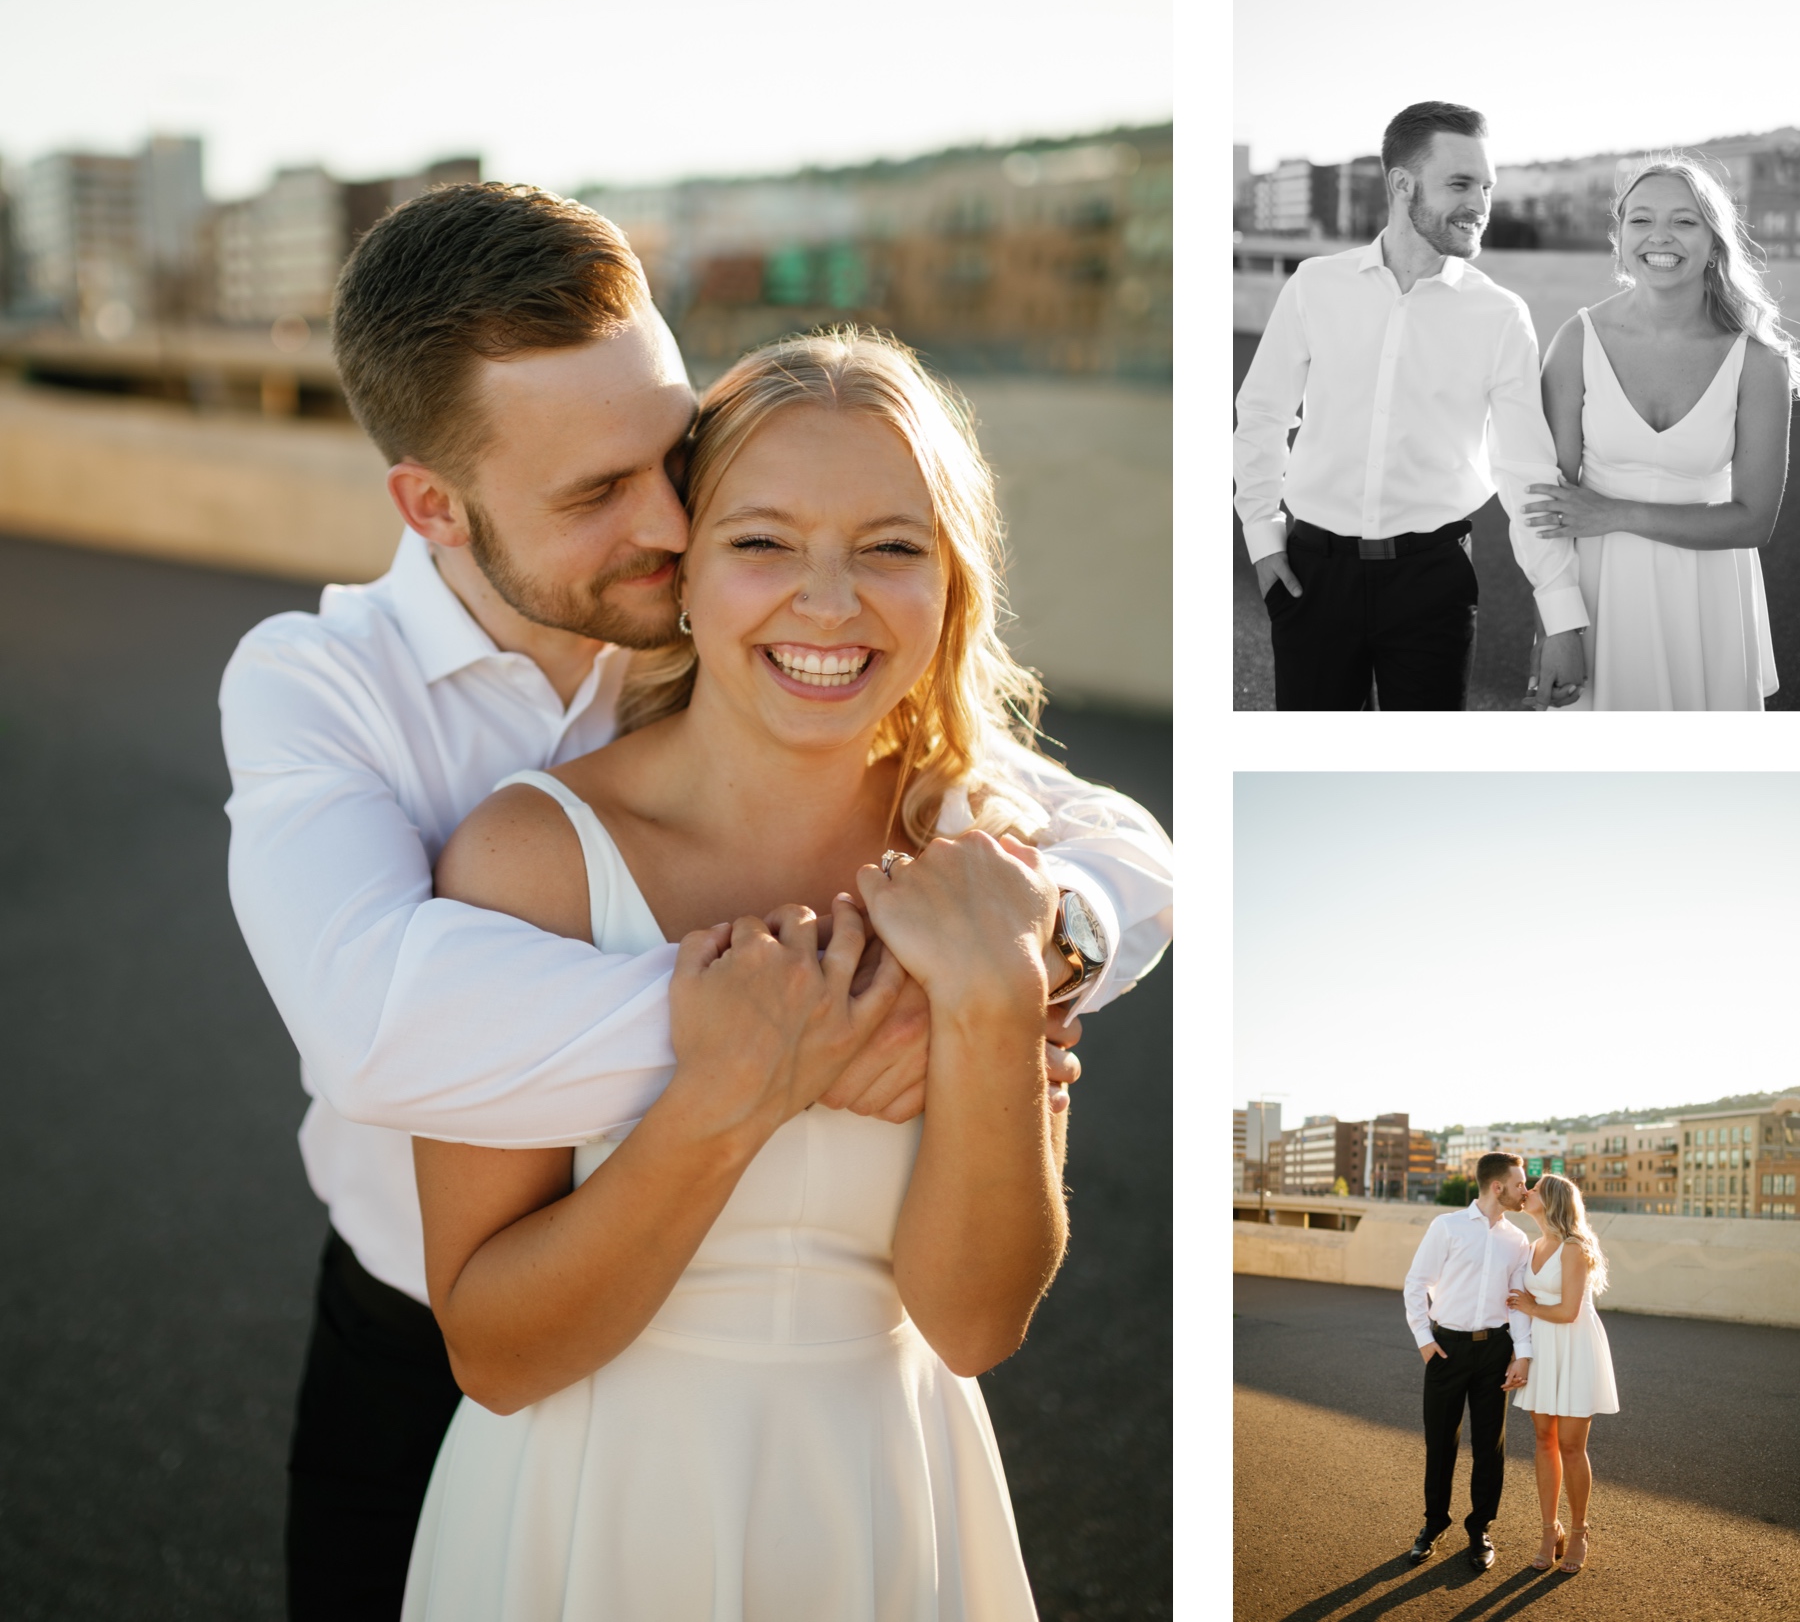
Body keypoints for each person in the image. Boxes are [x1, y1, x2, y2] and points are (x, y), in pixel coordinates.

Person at [218, 184, 1177, 1619]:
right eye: (598, 492)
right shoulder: (325, 689)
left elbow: (1109, 840)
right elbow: (373, 1028)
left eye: (674, 455)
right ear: (435, 506)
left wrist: (1037, 951)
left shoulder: (781, 657)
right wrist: (825, 1023)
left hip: (867, 1466)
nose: (670, 518)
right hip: (431, 1336)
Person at [400, 329, 1118, 1617]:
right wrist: (732, 1097)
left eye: (890, 548)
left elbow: (972, 1325)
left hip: (889, 1493)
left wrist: (992, 1004)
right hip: (588, 1505)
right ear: (683, 572)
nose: (829, 605)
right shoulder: (528, 861)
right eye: (764, 542)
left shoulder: (988, 866)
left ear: (952, 582)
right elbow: (494, 1354)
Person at [1233, 100, 1590, 710]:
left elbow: (1526, 471)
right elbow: (1263, 414)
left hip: (1434, 582)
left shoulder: (1501, 316)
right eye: (1460, 184)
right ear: (1402, 184)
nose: (1479, 204)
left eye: (1486, 187)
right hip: (1312, 575)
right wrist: (1263, 539)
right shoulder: (1315, 285)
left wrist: (1561, 616)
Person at [1524, 154, 1796, 709]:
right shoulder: (1577, 341)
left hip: (1707, 597)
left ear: (1715, 242)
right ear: (1620, 236)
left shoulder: (1758, 362)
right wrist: (1553, 629)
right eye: (1641, 219)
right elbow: (1547, 509)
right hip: (1597, 595)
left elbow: (1754, 520)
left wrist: (1616, 513)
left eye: (1684, 220)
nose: (1660, 236)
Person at [1400, 1152, 1535, 1571]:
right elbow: (1415, 1283)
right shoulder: (1447, 1226)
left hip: (1495, 1350)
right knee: (1441, 1442)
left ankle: (1480, 1529)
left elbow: (1516, 1302)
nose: (1525, 1190)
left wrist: (1522, 1353)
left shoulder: (1517, 1240)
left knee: (1490, 1446)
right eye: (1519, 1183)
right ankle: (1434, 1524)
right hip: (1447, 1348)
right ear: (1497, 1186)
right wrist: (1425, 1340)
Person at [1505, 1174, 1618, 1576]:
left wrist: (1530, 1307)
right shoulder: (1532, 1246)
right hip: (1544, 1347)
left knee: (1571, 1445)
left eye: (1534, 1189)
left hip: (1574, 1347)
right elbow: (1520, 1306)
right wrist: (1520, 1353)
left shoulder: (1574, 1247)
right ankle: (1548, 1529)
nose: (1526, 1191)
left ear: (1551, 1200)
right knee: (1543, 1440)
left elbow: (1569, 1312)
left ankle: (1580, 1531)